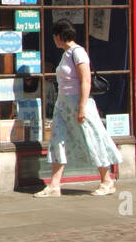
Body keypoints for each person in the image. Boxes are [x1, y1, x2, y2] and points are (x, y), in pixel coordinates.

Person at [36, 20, 120, 197]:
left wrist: (82, 107)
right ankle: (54, 185)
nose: (54, 40)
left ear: (59, 36)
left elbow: (86, 81)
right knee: (57, 140)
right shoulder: (65, 54)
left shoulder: (78, 52)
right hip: (63, 104)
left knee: (92, 138)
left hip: (78, 103)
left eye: (54, 36)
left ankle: (107, 181)